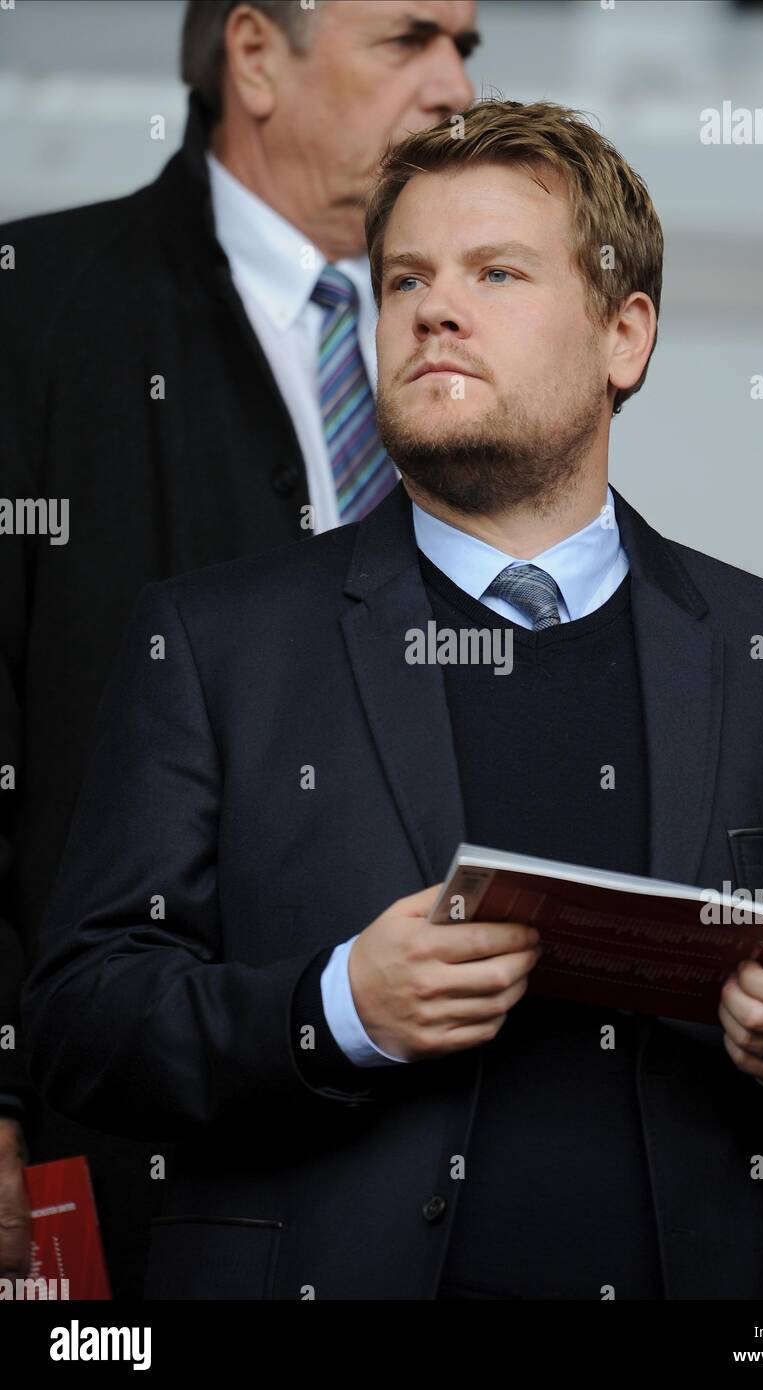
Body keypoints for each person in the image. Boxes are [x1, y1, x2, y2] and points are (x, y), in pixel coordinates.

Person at [21, 97, 763, 1300]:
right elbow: (82, 1015)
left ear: (625, 338)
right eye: (403, 281)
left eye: (496, 271)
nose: (433, 307)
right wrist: (336, 1007)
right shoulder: (208, 641)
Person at [0, 0, 477, 1296]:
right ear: (255, 56)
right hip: (131, 1146)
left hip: (444, 1154)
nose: (451, 84)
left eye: (467, 47)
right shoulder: (34, 312)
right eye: (408, 40)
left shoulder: (485, 334)